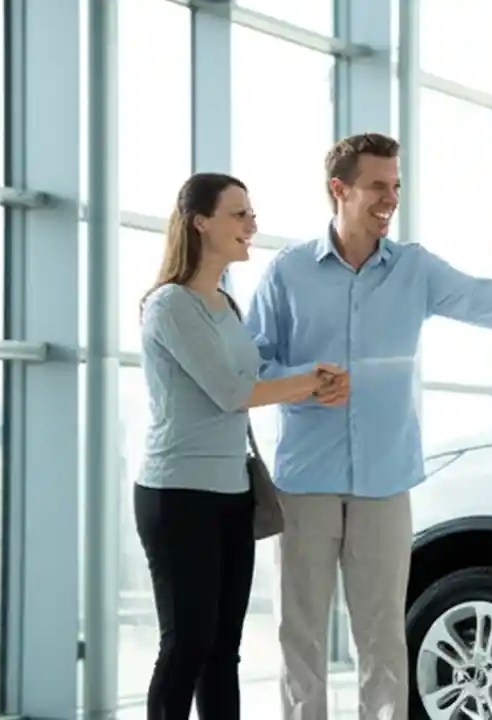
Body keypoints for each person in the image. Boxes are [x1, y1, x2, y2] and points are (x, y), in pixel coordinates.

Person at [243, 132, 492, 719]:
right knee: (298, 634)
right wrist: (307, 380)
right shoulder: (288, 272)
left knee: (382, 635)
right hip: (306, 479)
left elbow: (486, 298)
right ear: (340, 189)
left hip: (384, 478)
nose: (390, 198)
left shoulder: (414, 269)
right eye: (378, 185)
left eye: (396, 186)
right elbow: (253, 365)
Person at [134, 172, 347, 720]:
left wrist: (306, 378)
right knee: (186, 645)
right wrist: (312, 382)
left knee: (222, 650)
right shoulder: (170, 305)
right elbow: (232, 392)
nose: (252, 225)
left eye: (251, 214)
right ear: (200, 222)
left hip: (231, 492)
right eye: (239, 214)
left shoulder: (226, 303)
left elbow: (249, 375)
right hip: (179, 495)